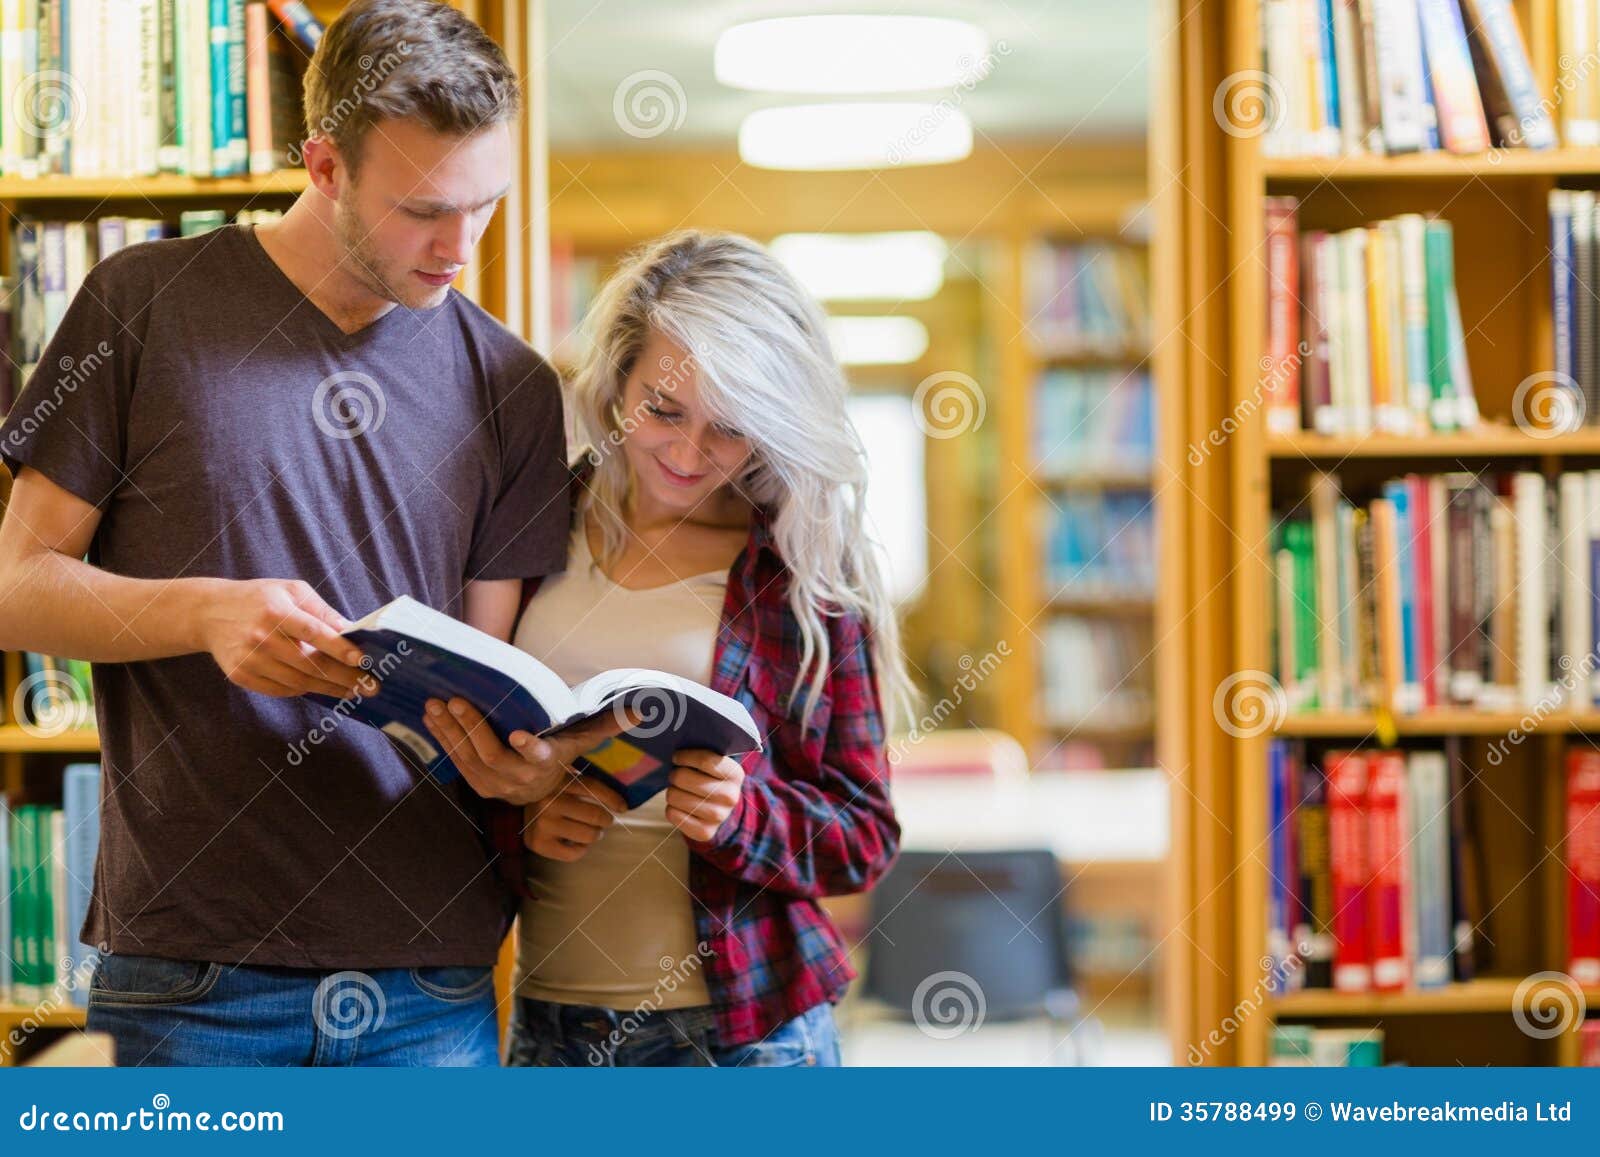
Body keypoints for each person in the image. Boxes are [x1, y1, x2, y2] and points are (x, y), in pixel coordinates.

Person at [0, 0, 599, 1066]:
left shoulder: (512, 385)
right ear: (323, 166)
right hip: (196, 972)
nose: (460, 247)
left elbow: (494, 671)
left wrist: (523, 767)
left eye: (485, 205)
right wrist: (202, 610)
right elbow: (16, 585)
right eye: (422, 209)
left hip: (434, 973)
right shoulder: (139, 305)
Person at [421, 230, 911, 1066]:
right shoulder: (536, 519)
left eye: (730, 428)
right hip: (547, 1022)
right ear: (618, 385)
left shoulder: (804, 570)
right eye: (664, 410)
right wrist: (526, 807)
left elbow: (865, 835)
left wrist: (744, 816)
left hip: (745, 1040)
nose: (688, 455)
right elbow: (464, 756)